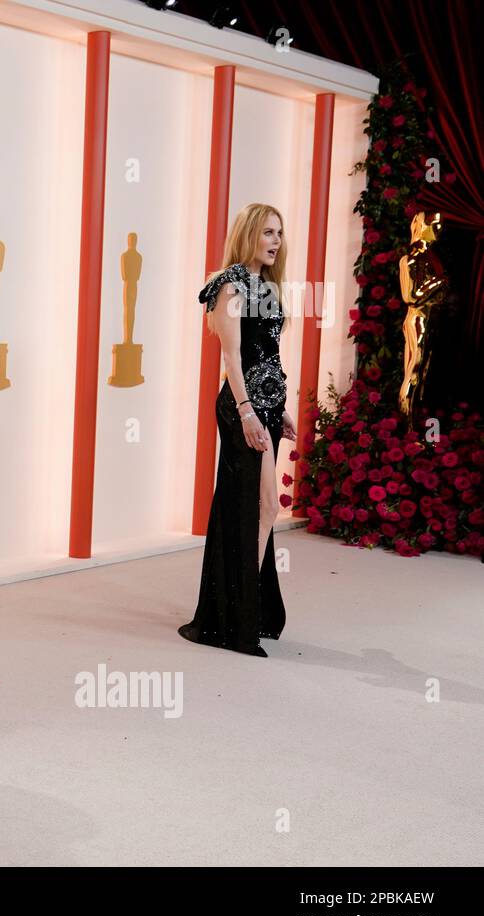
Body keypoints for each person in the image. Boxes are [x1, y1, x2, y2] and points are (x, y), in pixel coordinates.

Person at [179, 203, 298, 658]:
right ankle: (234, 612)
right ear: (250, 234)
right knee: (264, 504)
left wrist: (279, 408)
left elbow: (267, 354)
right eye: (268, 232)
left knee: (265, 506)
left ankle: (239, 605)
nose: (275, 241)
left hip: (265, 408)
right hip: (240, 410)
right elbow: (232, 360)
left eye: (279, 234)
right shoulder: (229, 285)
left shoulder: (267, 286)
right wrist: (249, 413)